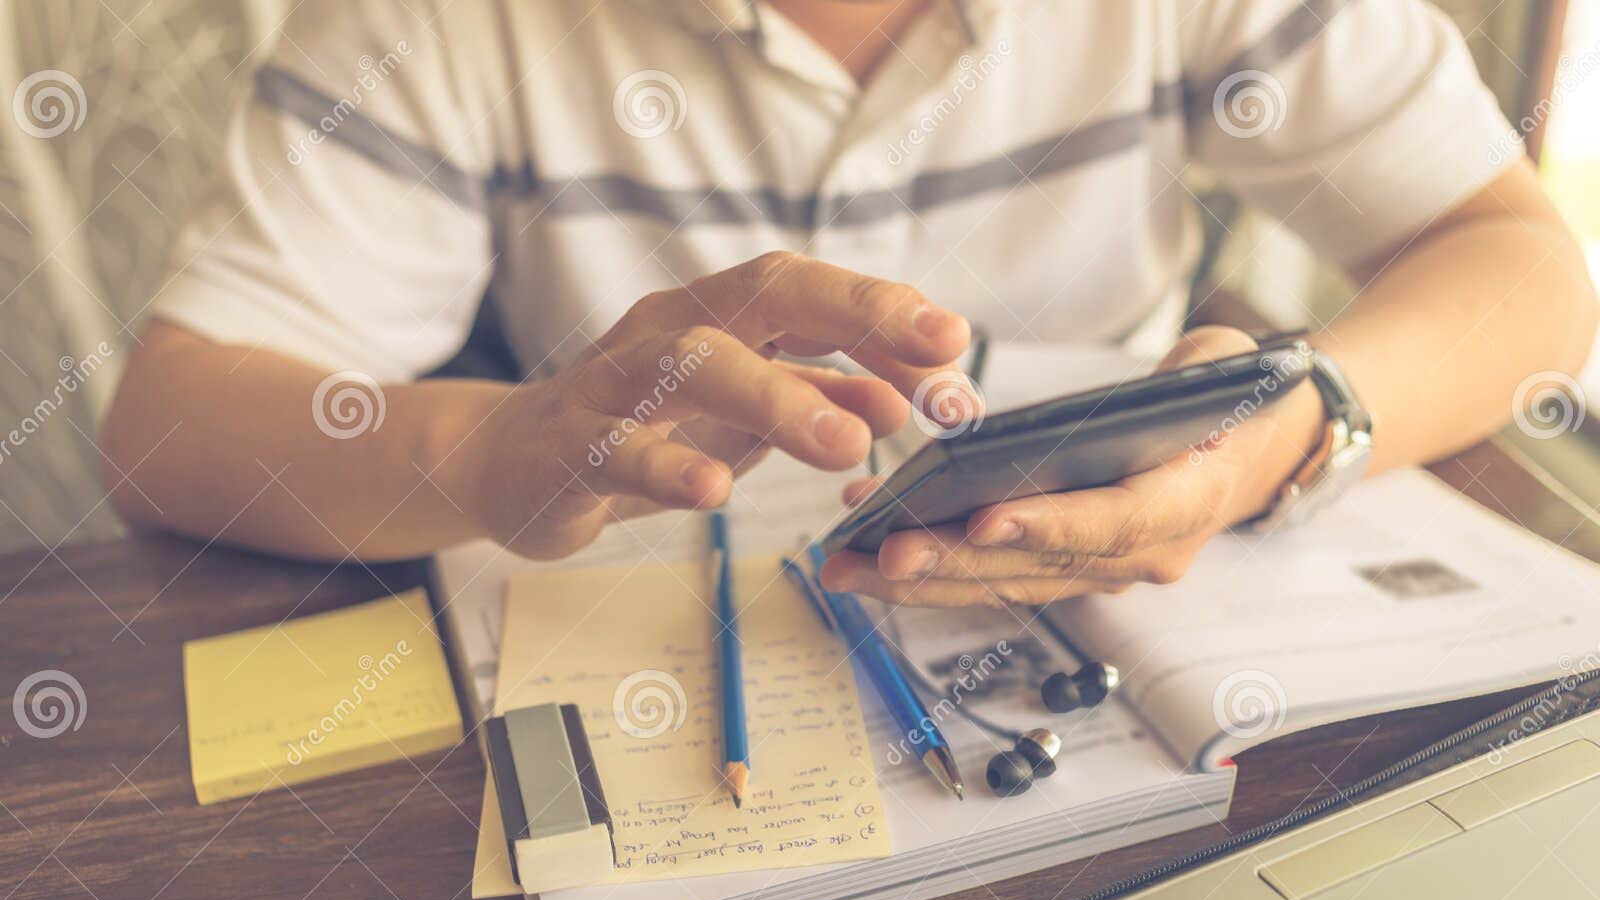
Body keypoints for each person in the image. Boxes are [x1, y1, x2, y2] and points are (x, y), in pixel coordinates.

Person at [102, 0, 1598, 608]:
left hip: (1149, 651)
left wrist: (1286, 435)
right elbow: (170, 425)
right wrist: (499, 453)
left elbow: (1521, 262)